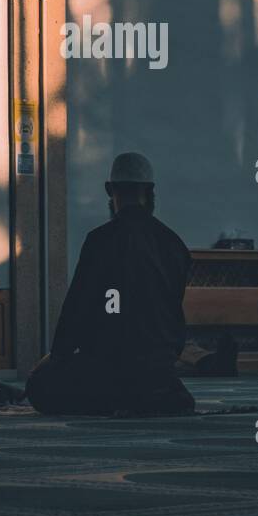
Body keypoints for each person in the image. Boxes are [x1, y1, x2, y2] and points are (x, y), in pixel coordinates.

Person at [25, 153, 196, 414]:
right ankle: (149, 397)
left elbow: (76, 311)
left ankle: (118, 398)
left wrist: (57, 358)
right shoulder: (174, 244)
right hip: (157, 369)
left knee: (39, 384)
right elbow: (171, 314)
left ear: (109, 189)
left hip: (107, 365)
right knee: (160, 389)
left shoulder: (99, 241)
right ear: (151, 191)